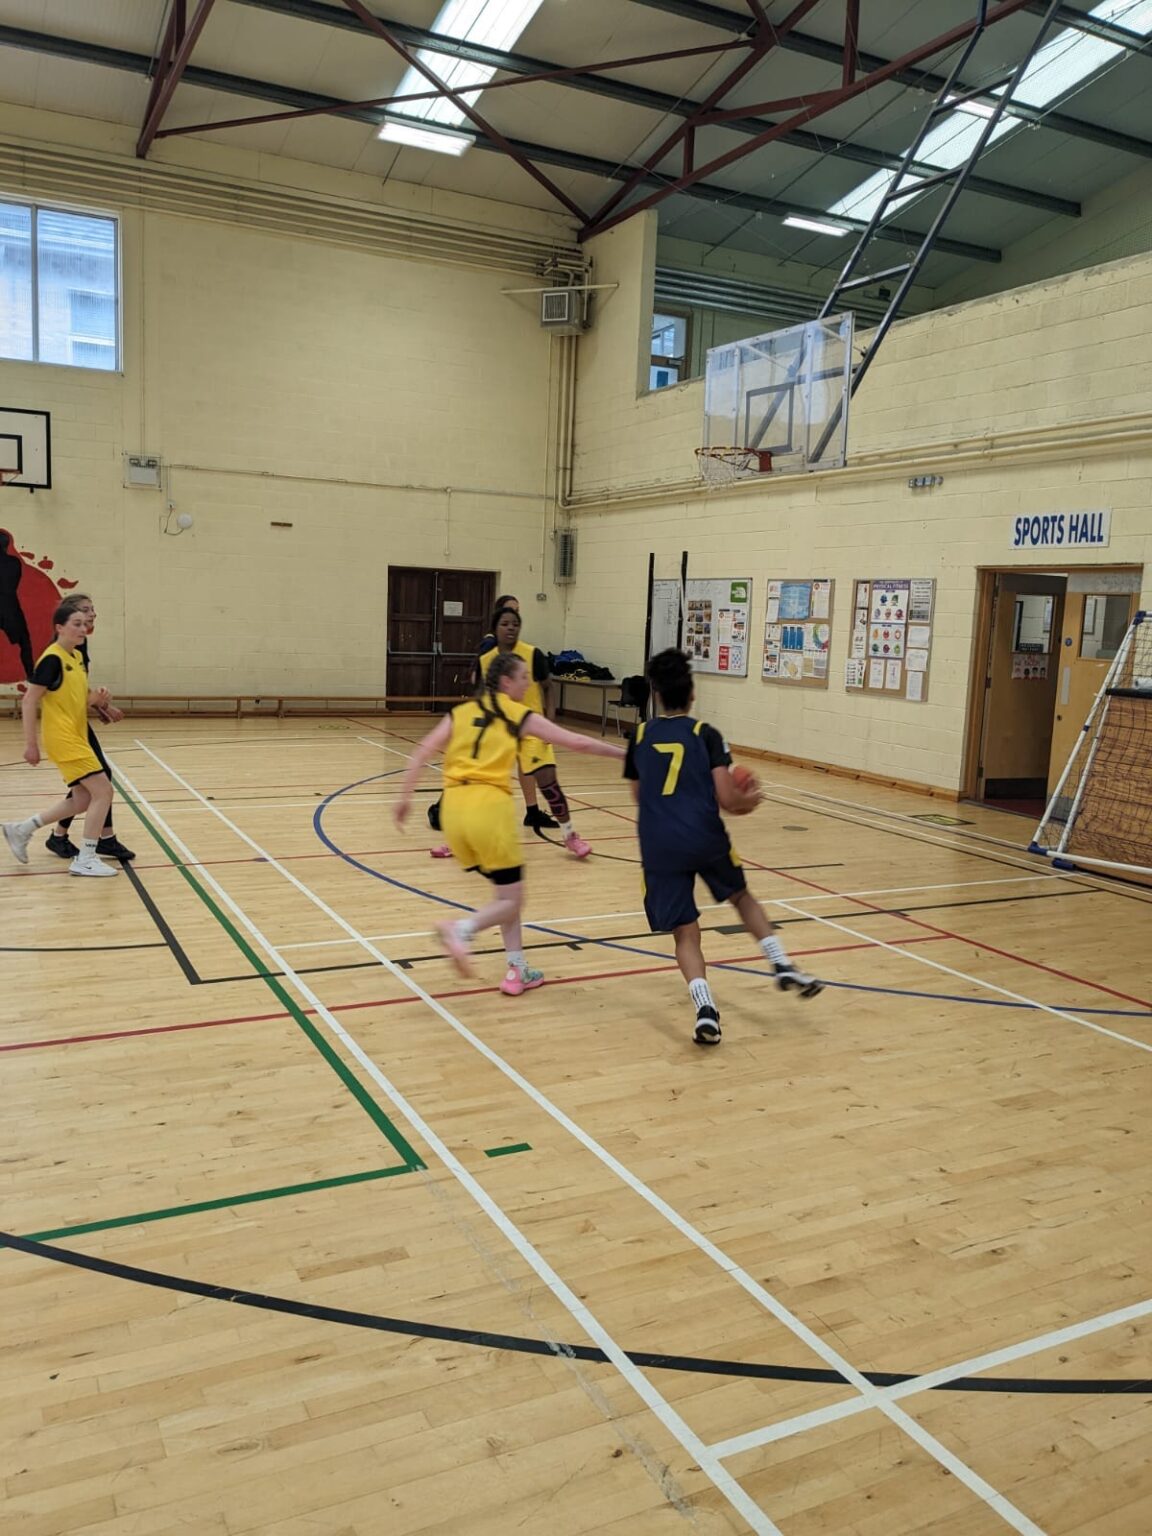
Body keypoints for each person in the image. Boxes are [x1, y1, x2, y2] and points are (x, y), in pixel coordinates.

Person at [395, 651, 625, 994]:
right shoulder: (517, 714)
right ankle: (461, 930)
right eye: (523, 677)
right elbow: (578, 742)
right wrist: (626, 754)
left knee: (507, 893)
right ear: (505, 682)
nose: (528, 683)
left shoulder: (461, 712)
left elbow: (422, 751)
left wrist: (404, 798)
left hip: (453, 813)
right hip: (489, 811)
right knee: (513, 901)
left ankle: (518, 970)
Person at [625, 649, 822, 1046]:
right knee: (741, 897)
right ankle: (781, 962)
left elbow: (638, 795)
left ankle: (705, 1009)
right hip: (703, 835)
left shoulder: (640, 737)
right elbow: (729, 799)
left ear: (656, 694)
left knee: (685, 932)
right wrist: (750, 800)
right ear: (692, 693)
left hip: (660, 843)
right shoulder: (706, 734)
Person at [427, 592, 555, 854]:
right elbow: (479, 679)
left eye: (517, 615)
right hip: (497, 723)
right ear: (497, 620)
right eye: (508, 615)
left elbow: (545, 686)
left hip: (524, 722)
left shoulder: (529, 653)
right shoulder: (489, 648)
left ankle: (535, 813)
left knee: (532, 770)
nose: (513, 622)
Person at [2, 603, 122, 877]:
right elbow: (29, 700)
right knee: (103, 791)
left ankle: (21, 829)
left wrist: (99, 701)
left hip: (76, 735)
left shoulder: (76, 657)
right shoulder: (52, 659)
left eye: (85, 624)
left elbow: (76, 700)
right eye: (76, 624)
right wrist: (30, 744)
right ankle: (86, 858)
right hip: (63, 738)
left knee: (81, 800)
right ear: (59, 628)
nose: (83, 628)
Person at [484, 604, 593, 857]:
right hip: (499, 729)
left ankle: (570, 836)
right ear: (494, 629)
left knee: (550, 785)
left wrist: (550, 721)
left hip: (532, 728)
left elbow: (547, 686)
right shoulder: (485, 661)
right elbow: (481, 697)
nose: (510, 628)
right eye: (505, 624)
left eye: (515, 624)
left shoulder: (532, 654)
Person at [44, 593, 134, 862]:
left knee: (89, 781)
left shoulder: (79, 644)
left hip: (75, 722)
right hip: (66, 726)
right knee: (98, 779)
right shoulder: (63, 648)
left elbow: (79, 689)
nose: (92, 614)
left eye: (92, 609)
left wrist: (102, 708)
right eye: (85, 610)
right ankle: (102, 839)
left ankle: (61, 835)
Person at [0, 528, 35, 680]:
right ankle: (31, 675)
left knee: (25, 641)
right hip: (10, 608)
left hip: (8, 607)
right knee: (24, 642)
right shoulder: (15, 563)